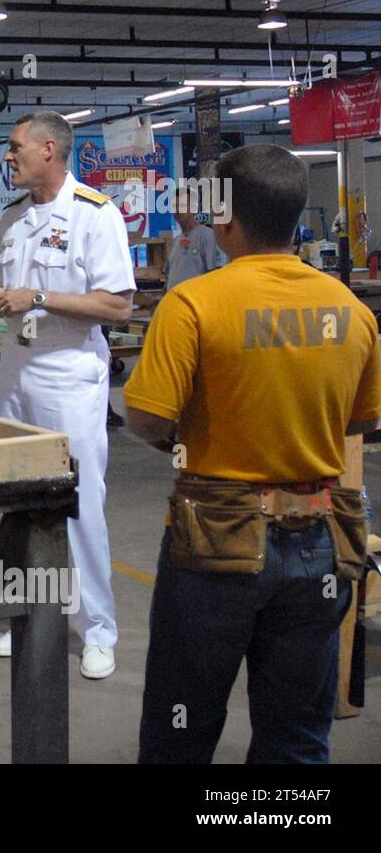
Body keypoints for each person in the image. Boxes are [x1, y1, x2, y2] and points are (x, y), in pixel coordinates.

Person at [126, 144, 378, 763]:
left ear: (223, 217)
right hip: (320, 540)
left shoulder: (192, 305)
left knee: (181, 723)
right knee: (296, 730)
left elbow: (145, 417)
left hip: (216, 539)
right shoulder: (351, 311)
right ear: (295, 216)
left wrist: (191, 434)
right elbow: (361, 420)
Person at [0, 111, 135, 680]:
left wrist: (37, 296)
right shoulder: (14, 217)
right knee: (20, 496)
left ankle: (98, 630)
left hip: (68, 372)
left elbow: (119, 305)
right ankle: (30, 613)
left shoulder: (96, 214)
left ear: (50, 149)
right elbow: (11, 289)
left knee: (81, 502)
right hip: (16, 367)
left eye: (15, 147)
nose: (7, 156)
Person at [165, 182, 224, 290]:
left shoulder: (208, 237)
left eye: (182, 206)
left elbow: (215, 274)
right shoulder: (176, 241)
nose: (178, 210)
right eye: (175, 206)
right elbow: (169, 276)